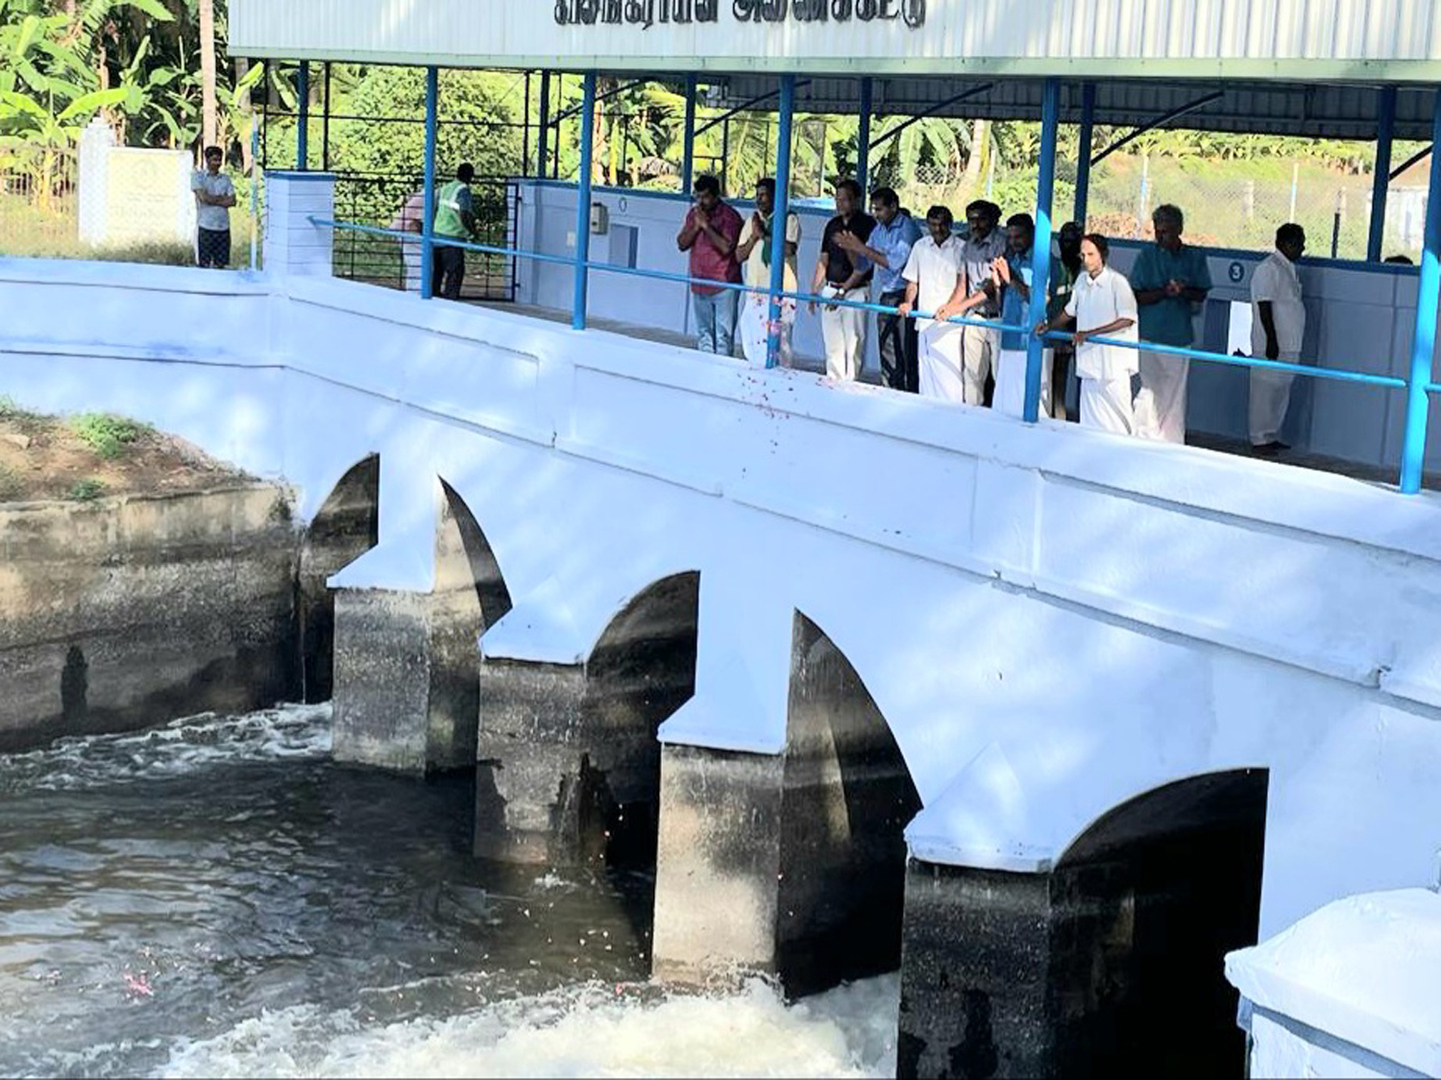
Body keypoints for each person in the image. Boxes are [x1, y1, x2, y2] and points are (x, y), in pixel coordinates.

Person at [1036, 234, 1140, 435]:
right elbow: (1070, 311)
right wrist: (1049, 326)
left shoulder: (1118, 282)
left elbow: (1127, 319)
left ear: (1103, 254)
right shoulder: (1081, 280)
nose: (1086, 260)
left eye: (1091, 254)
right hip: (1089, 365)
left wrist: (1089, 333)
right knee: (1090, 424)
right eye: (1083, 255)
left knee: (1118, 423)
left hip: (1113, 366)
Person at [1129, 203, 1211, 443]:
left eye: (1165, 231)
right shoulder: (1147, 256)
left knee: (1175, 395)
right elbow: (1137, 295)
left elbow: (1201, 293)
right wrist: (1164, 292)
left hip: (1179, 336)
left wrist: (1183, 291)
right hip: (1149, 335)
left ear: (1179, 229)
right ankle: (1142, 437)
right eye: (1157, 230)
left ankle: (1171, 441)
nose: (1160, 235)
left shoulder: (1194, 257)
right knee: (1148, 391)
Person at [836, 187, 922, 391]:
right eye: (873, 209)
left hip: (907, 295)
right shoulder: (879, 230)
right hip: (887, 294)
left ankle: (908, 393)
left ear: (894, 206)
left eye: (879, 209)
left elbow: (894, 263)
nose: (876, 214)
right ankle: (889, 390)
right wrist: (850, 249)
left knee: (905, 349)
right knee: (886, 347)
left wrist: (860, 248)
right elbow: (862, 265)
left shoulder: (907, 229)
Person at [990, 213, 1056, 419]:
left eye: (1018, 237)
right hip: (1009, 335)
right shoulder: (1012, 258)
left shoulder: (1044, 261)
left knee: (1035, 404)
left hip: (1033, 340)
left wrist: (1011, 278)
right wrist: (998, 284)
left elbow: (1042, 301)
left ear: (1032, 234)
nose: (1013, 242)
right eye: (1010, 237)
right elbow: (1002, 302)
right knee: (1006, 403)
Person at [1248, 223, 1307, 455]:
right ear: (1284, 243)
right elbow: (1264, 305)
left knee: (1281, 392)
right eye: (1298, 243)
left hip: (1290, 344)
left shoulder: (1288, 268)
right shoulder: (1268, 268)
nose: (1302, 248)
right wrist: (1271, 340)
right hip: (1271, 345)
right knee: (1264, 392)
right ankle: (1259, 438)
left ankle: (1271, 434)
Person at [897, 205, 967, 402]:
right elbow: (913, 281)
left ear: (950, 224)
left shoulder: (962, 248)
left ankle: (952, 414)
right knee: (926, 372)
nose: (938, 229)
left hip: (950, 323)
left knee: (949, 376)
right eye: (933, 225)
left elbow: (962, 285)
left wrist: (950, 308)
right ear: (927, 225)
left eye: (942, 224)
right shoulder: (920, 246)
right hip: (925, 320)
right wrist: (908, 302)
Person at [810, 179, 877, 381]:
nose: (840, 204)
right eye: (837, 199)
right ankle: (834, 382)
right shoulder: (832, 225)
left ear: (856, 200)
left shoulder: (868, 225)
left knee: (854, 341)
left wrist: (850, 247)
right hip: (831, 288)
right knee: (833, 344)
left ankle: (851, 383)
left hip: (856, 290)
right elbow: (823, 259)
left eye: (845, 199)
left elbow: (863, 265)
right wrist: (814, 290)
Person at [735, 177, 800, 366]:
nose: (759, 199)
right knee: (752, 337)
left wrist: (764, 234)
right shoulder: (752, 221)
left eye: (764, 195)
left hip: (779, 294)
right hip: (755, 291)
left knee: (778, 342)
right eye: (757, 195)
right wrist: (754, 237)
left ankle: (779, 377)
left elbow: (789, 249)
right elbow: (739, 255)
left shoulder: (788, 219)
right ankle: (756, 375)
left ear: (775, 197)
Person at [677, 174, 744, 355]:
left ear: (716, 195)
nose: (701, 201)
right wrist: (696, 226)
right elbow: (681, 244)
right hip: (699, 283)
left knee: (723, 337)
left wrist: (706, 226)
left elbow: (726, 248)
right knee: (704, 335)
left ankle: (722, 370)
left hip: (724, 285)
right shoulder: (694, 214)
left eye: (705, 197)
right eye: (697, 196)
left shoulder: (730, 216)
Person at [959, 200, 1008, 406]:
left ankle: (1001, 415)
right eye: (971, 220)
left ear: (993, 220)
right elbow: (963, 282)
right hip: (975, 316)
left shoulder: (1002, 243)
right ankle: (971, 416)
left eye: (981, 219)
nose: (976, 224)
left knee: (999, 374)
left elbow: (990, 287)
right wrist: (953, 307)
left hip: (998, 318)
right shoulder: (968, 245)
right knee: (972, 374)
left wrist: (960, 306)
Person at [1046, 221, 1085, 420]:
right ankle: (1057, 420)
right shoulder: (1055, 266)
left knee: (1084, 381)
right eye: (1064, 240)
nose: (1066, 245)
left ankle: (1081, 421)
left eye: (1072, 241)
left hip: (1082, 334)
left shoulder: (1085, 270)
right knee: (1056, 380)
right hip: (1058, 332)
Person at [433, 163, 480, 300]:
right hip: (452, 237)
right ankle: (450, 301)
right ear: (470, 176)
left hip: (437, 234)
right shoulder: (463, 190)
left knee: (437, 272)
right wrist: (473, 231)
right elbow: (464, 213)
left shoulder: (445, 188)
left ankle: (433, 298)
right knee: (455, 272)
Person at [191, 145, 236, 269]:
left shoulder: (225, 179)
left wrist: (212, 199)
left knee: (221, 265)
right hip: (206, 226)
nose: (217, 163)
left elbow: (232, 201)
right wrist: (222, 198)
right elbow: (203, 198)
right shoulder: (198, 177)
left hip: (223, 227)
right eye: (214, 160)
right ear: (207, 160)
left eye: (219, 160)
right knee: (204, 264)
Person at [388, 182, 426, 294]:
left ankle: (413, 290)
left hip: (403, 229)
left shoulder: (421, 196)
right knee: (418, 263)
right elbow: (417, 222)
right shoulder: (428, 198)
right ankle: (416, 292)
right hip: (408, 231)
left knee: (413, 263)